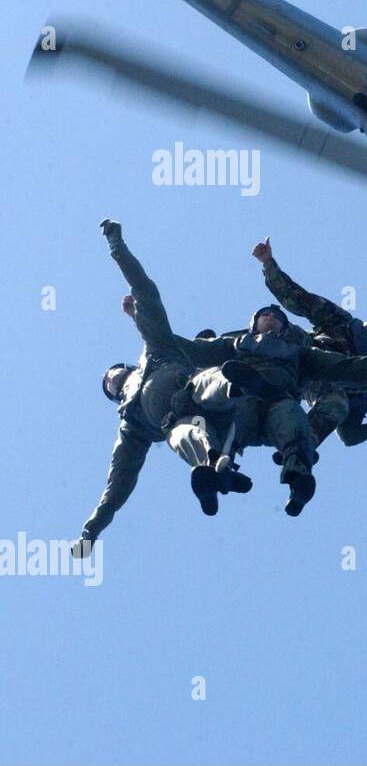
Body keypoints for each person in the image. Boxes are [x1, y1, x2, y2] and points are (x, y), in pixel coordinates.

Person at [76, 221, 251, 556]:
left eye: (114, 374)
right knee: (183, 433)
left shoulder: (156, 351)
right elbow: (117, 485)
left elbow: (145, 290)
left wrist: (116, 244)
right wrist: (90, 532)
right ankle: (213, 471)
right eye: (109, 386)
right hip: (186, 425)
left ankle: (235, 383)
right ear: (115, 396)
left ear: (126, 367)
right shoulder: (132, 425)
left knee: (206, 382)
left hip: (200, 391)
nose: (112, 380)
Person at [170, 303, 367, 515]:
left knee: (303, 413)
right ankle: (216, 473)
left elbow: (352, 382)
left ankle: (298, 466)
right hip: (272, 382)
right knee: (233, 415)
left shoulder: (357, 392)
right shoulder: (347, 328)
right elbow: (194, 350)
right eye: (265, 315)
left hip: (299, 395)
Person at [252, 238, 367, 447]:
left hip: (312, 378)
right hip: (307, 351)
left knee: (335, 401)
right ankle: (238, 348)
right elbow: (300, 299)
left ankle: (297, 447)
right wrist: (268, 263)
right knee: (275, 322)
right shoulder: (344, 323)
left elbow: (349, 436)